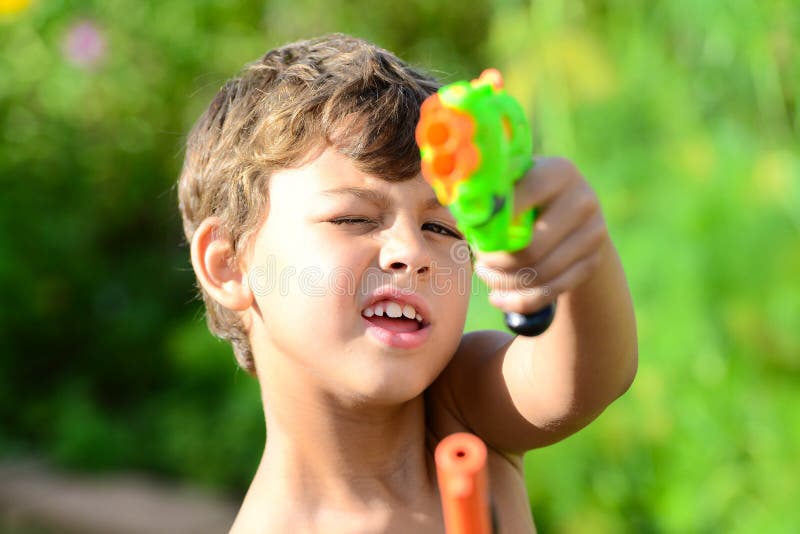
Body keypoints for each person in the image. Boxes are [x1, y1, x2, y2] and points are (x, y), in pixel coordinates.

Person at [177, 33, 637, 534]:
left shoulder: (460, 410)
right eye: (353, 218)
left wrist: (577, 259)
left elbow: (589, 376)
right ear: (229, 265)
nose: (411, 253)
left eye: (440, 227)